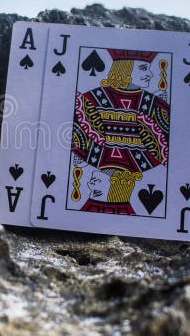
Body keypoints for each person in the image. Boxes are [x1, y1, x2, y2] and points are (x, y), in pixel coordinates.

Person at [72, 49, 170, 214]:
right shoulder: (94, 98)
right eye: (143, 68)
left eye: (149, 69)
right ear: (125, 68)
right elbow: (78, 131)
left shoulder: (151, 103)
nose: (151, 75)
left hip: (124, 177)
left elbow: (163, 145)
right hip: (106, 167)